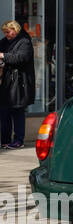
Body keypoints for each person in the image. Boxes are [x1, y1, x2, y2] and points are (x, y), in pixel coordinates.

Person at [0, 20, 35, 148]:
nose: (7, 34)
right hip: (7, 82)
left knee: (17, 111)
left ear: (15, 29)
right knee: (4, 112)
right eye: (5, 32)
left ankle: (18, 140)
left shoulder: (24, 42)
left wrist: (3, 56)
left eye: (8, 32)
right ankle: (5, 140)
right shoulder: (5, 42)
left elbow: (21, 58)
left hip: (19, 83)